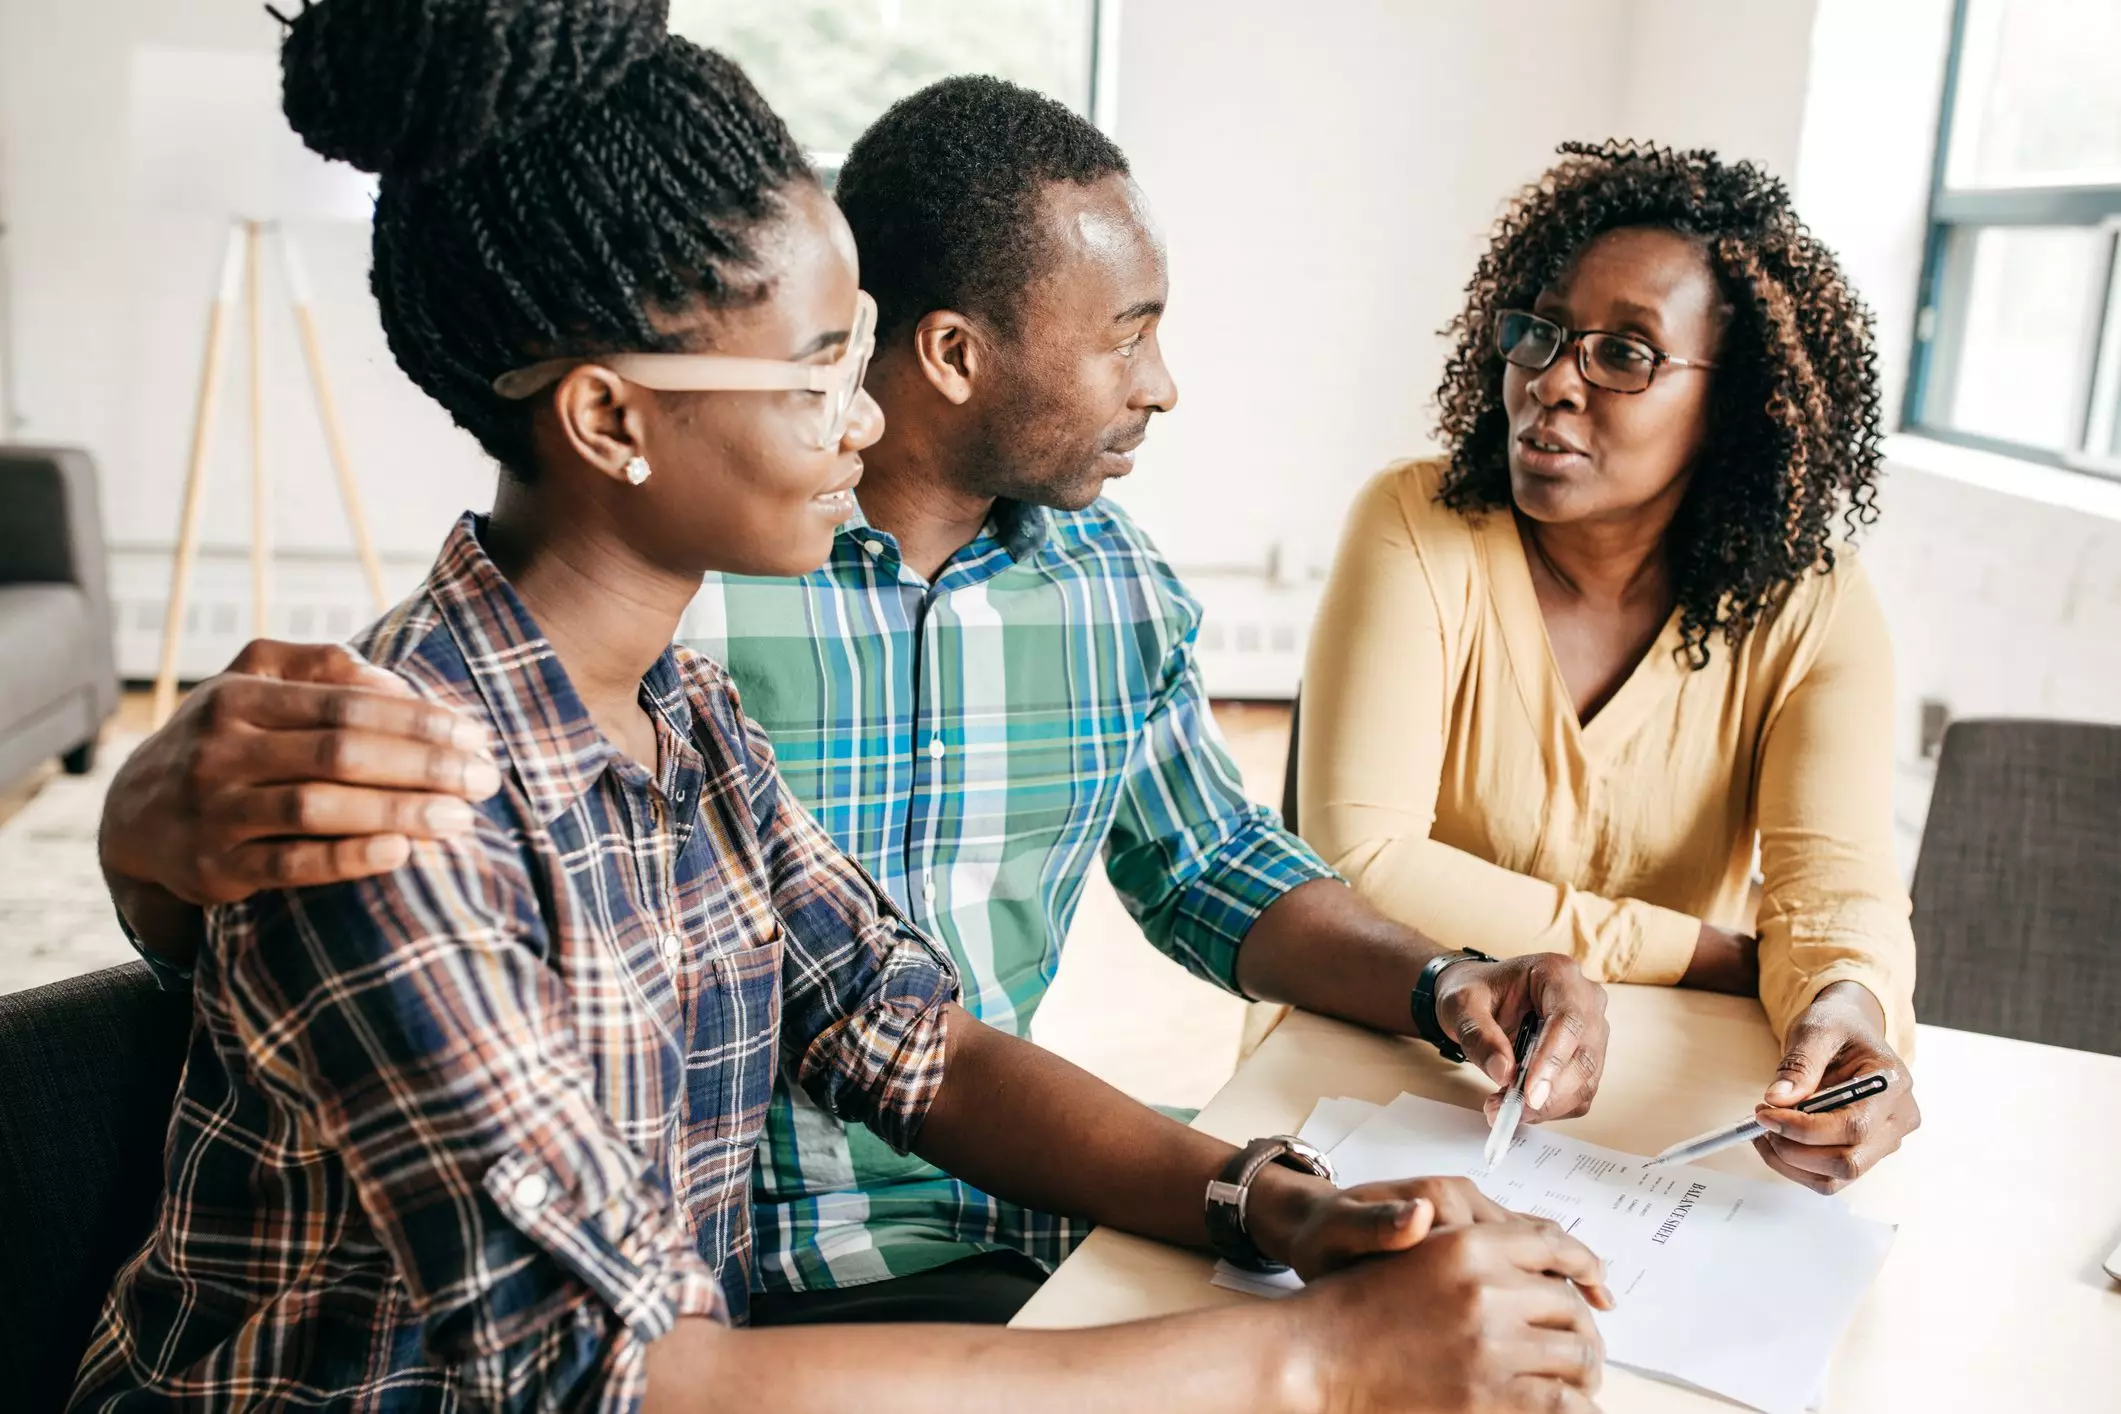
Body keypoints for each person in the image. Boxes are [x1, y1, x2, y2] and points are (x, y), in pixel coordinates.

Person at [72, 4, 1616, 1410]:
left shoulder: (679, 714)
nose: (868, 416)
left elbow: (909, 1039)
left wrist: (1272, 1201)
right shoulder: (405, 793)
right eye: (818, 369)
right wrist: (1311, 1358)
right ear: (611, 416)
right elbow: (641, 1382)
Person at [1297, 141, 1921, 1195]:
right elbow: (1363, 863)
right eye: (1540, 332)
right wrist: (1704, 953)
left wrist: (1845, 1005)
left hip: (1646, 1118)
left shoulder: (1812, 605)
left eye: (1626, 354)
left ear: (1735, 404)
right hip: (1383, 1076)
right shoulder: (1415, 527)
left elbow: (1840, 897)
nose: (1548, 381)